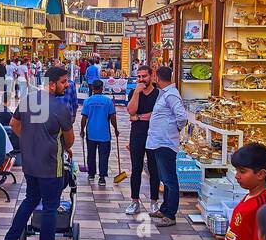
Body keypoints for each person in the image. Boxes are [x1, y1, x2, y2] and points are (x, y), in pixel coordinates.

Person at [0, 66, 75, 240]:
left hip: (30, 164)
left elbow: (14, 124)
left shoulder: (28, 100)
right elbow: (69, 141)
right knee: (50, 207)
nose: (66, 85)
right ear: (52, 84)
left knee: (30, 200)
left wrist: (28, 140)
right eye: (63, 82)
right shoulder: (61, 108)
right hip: (51, 164)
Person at [145, 65, 188, 227]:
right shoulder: (165, 93)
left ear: (156, 77)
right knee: (164, 177)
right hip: (158, 141)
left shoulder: (171, 95)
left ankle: (171, 214)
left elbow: (182, 116)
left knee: (169, 179)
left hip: (166, 142)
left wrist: (175, 128)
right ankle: (165, 208)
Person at [124, 65, 161, 216]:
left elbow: (157, 114)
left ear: (152, 76)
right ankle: (134, 201)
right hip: (137, 135)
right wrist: (137, 93)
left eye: (144, 76)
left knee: (154, 169)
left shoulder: (158, 94)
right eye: (138, 76)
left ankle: (154, 202)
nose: (141, 79)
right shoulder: (135, 92)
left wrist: (138, 117)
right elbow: (130, 110)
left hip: (154, 135)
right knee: (136, 169)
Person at [80, 80, 118, 185]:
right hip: (104, 133)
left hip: (91, 132)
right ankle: (102, 177)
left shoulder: (87, 101)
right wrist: (115, 128)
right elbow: (112, 117)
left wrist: (82, 130)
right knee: (104, 156)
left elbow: (84, 117)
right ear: (102, 88)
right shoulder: (108, 101)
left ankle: (91, 174)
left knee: (91, 154)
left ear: (92, 88)